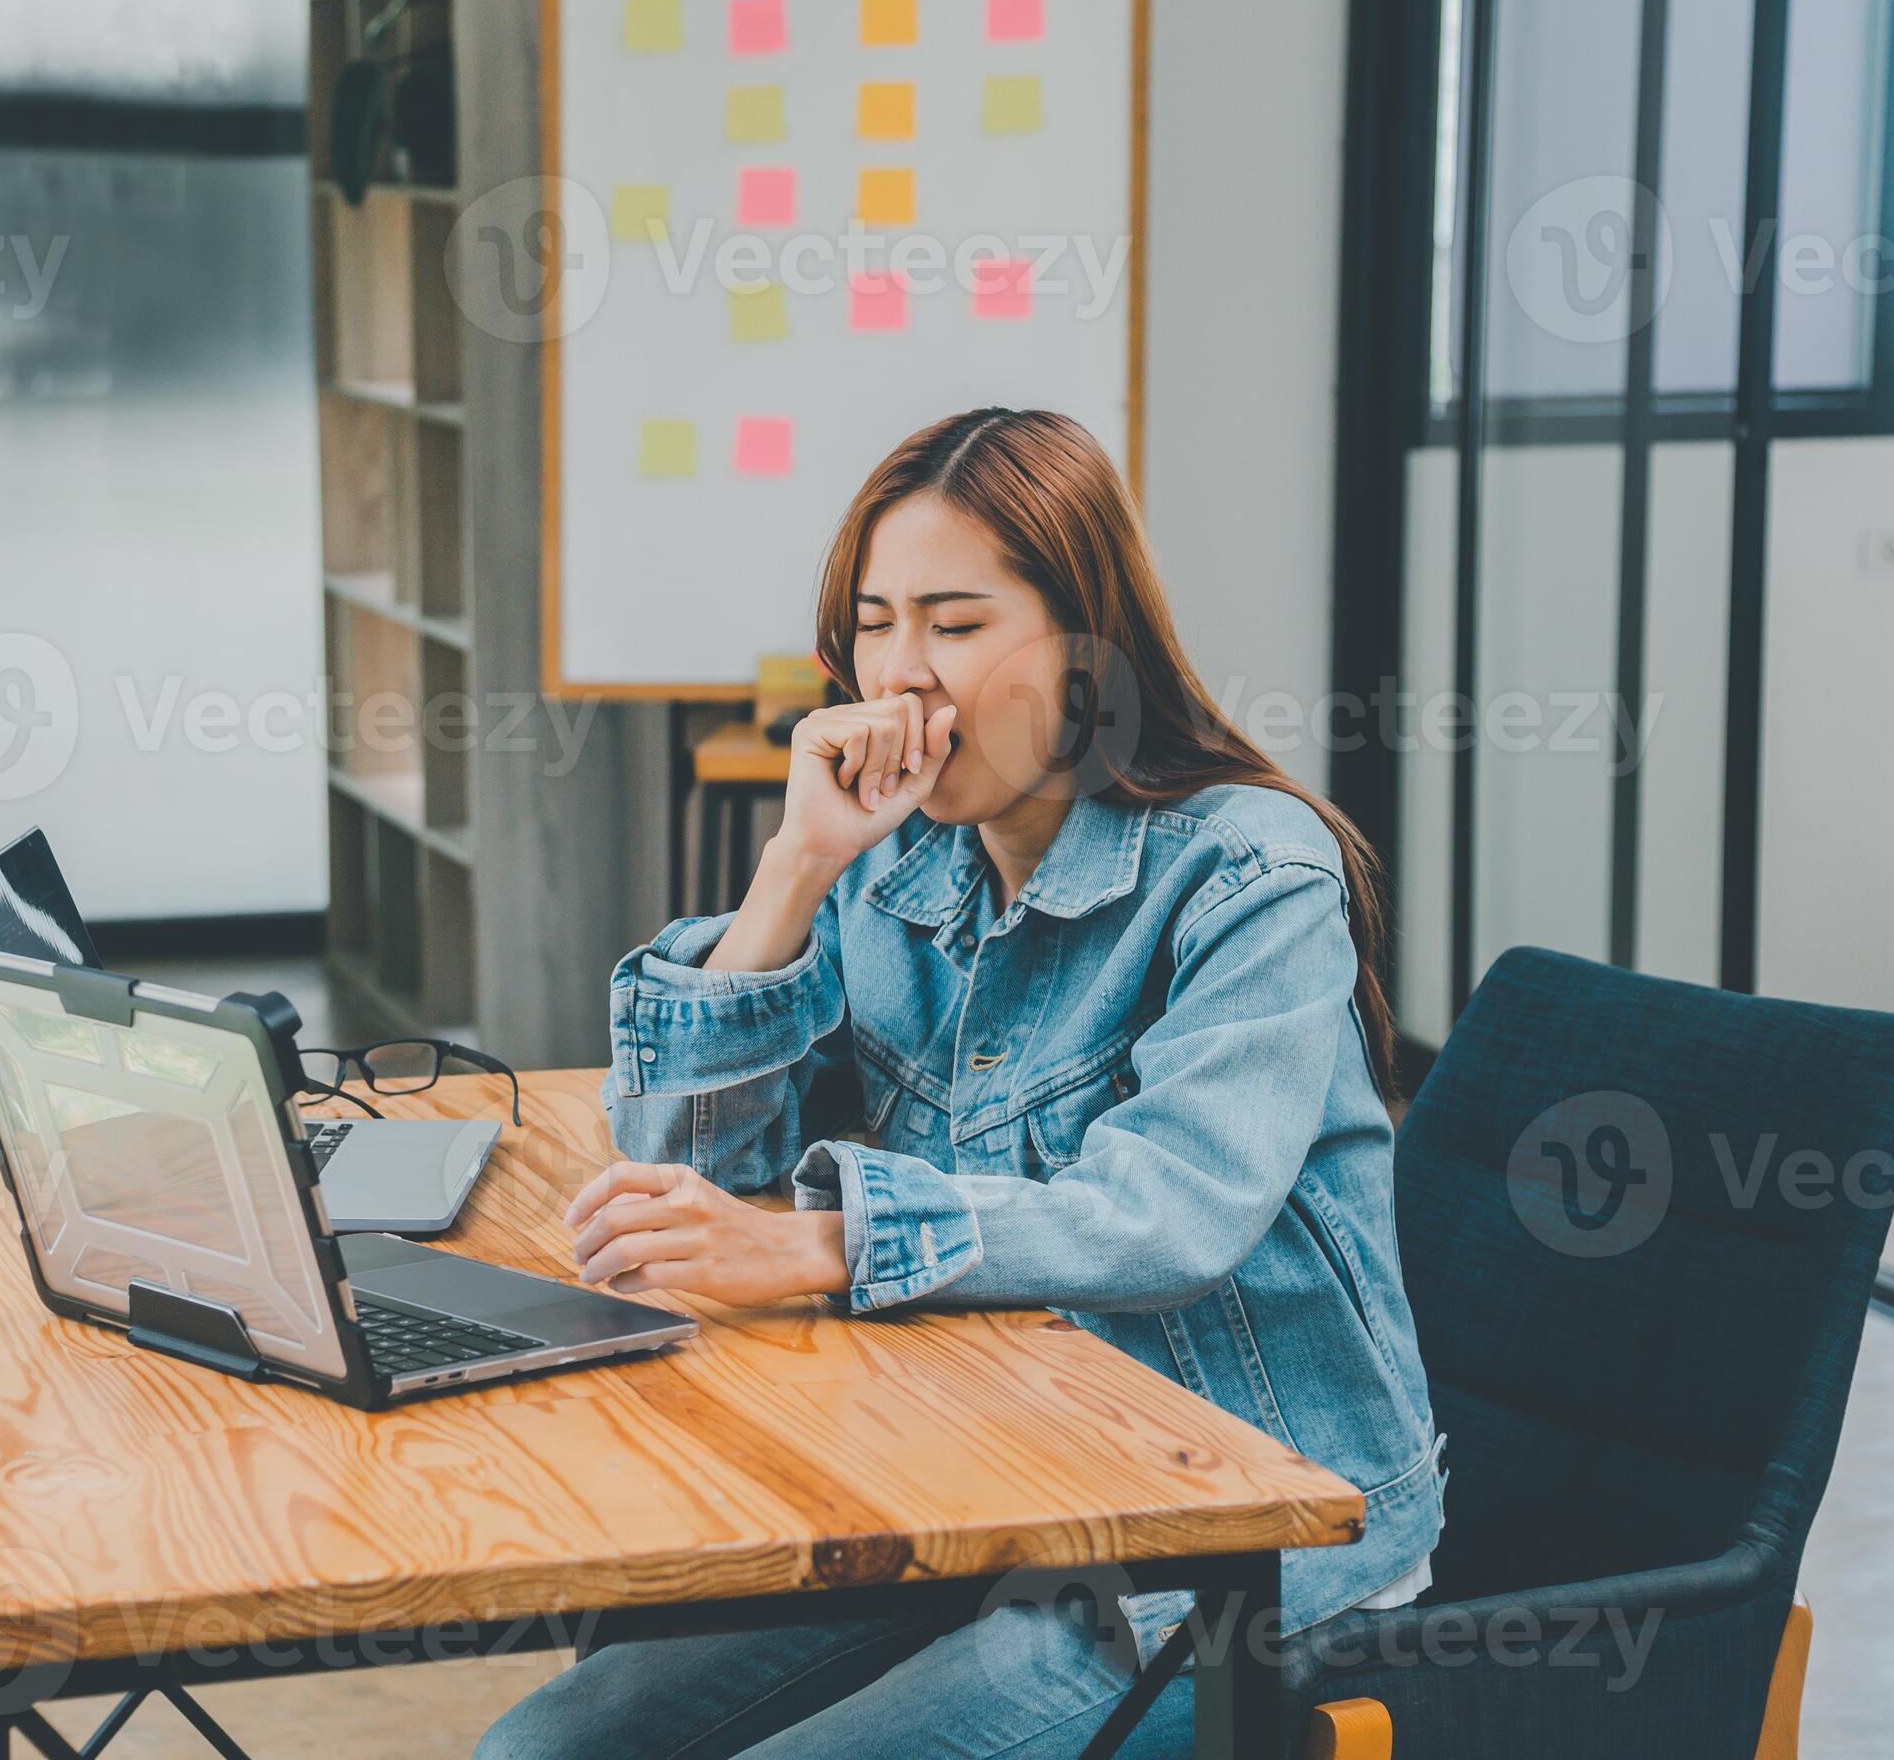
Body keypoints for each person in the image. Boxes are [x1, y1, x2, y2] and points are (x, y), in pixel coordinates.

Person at [478, 408, 1441, 1759]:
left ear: (1085, 645)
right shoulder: (896, 859)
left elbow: (1165, 1214)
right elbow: (692, 1162)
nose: (901, 681)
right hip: (968, 1486)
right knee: (544, 1751)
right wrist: (793, 868)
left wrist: (819, 1243)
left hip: (1230, 1544)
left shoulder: (1248, 874)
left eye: (954, 622)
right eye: (873, 624)